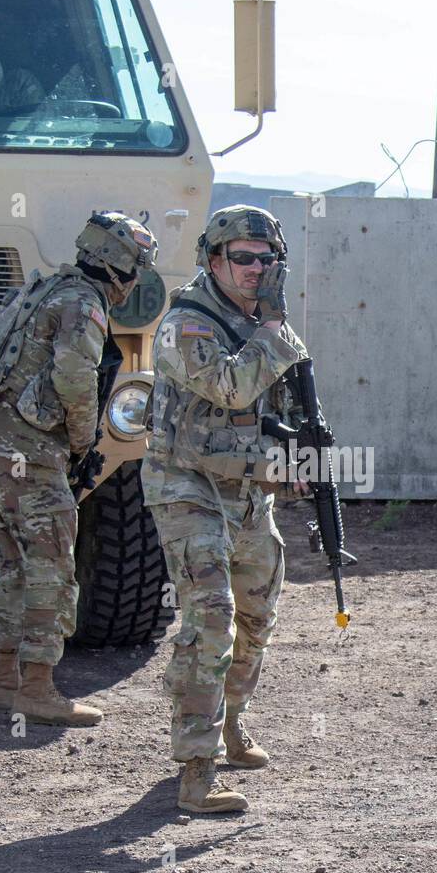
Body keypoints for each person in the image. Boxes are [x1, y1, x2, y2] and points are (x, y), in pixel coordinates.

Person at [144, 205, 310, 813]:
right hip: (187, 483)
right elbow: (232, 387)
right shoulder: (188, 323)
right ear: (215, 261)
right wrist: (275, 331)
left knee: (258, 612)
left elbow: (272, 411)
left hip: (245, 488)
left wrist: (294, 462)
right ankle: (196, 765)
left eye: (267, 260)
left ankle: (231, 720)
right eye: (243, 258)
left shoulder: (262, 324)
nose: (256, 269)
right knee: (211, 616)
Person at [0, 211, 156, 726]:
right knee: (52, 563)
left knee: (14, 560)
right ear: (120, 268)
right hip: (34, 449)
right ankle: (37, 687)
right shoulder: (83, 304)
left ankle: (4, 682)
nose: (138, 280)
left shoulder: (44, 291)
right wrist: (82, 443)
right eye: (137, 268)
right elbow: (75, 380)